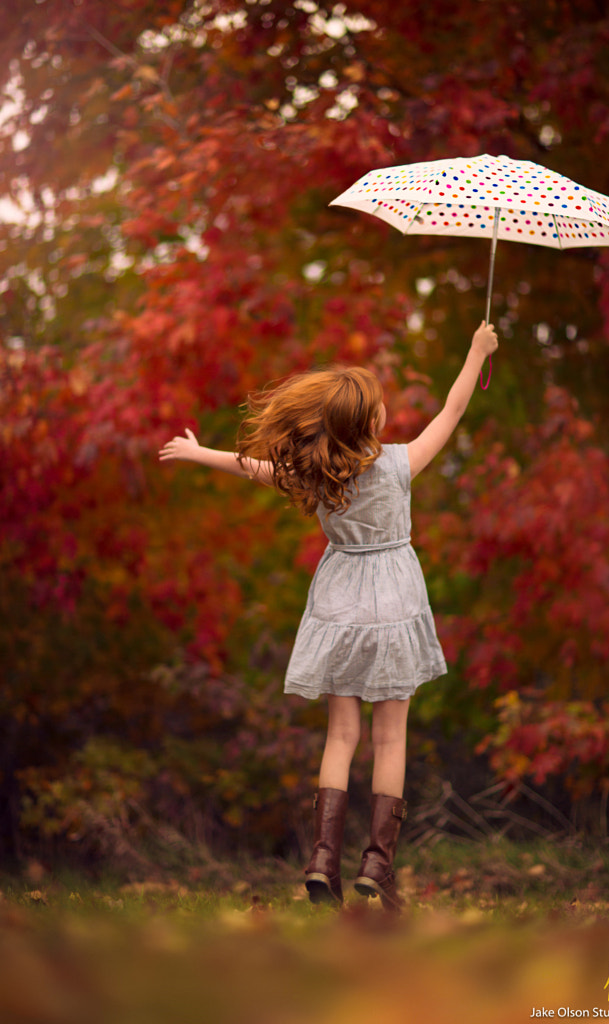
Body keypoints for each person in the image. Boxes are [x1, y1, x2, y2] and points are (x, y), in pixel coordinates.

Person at [158, 320, 498, 910]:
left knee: (341, 735)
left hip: (339, 603)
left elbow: (254, 468)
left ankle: (322, 860)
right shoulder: (400, 464)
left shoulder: (317, 472)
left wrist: (196, 453)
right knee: (390, 737)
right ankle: (377, 865)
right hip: (394, 603)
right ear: (370, 422)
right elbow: (453, 409)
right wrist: (476, 351)